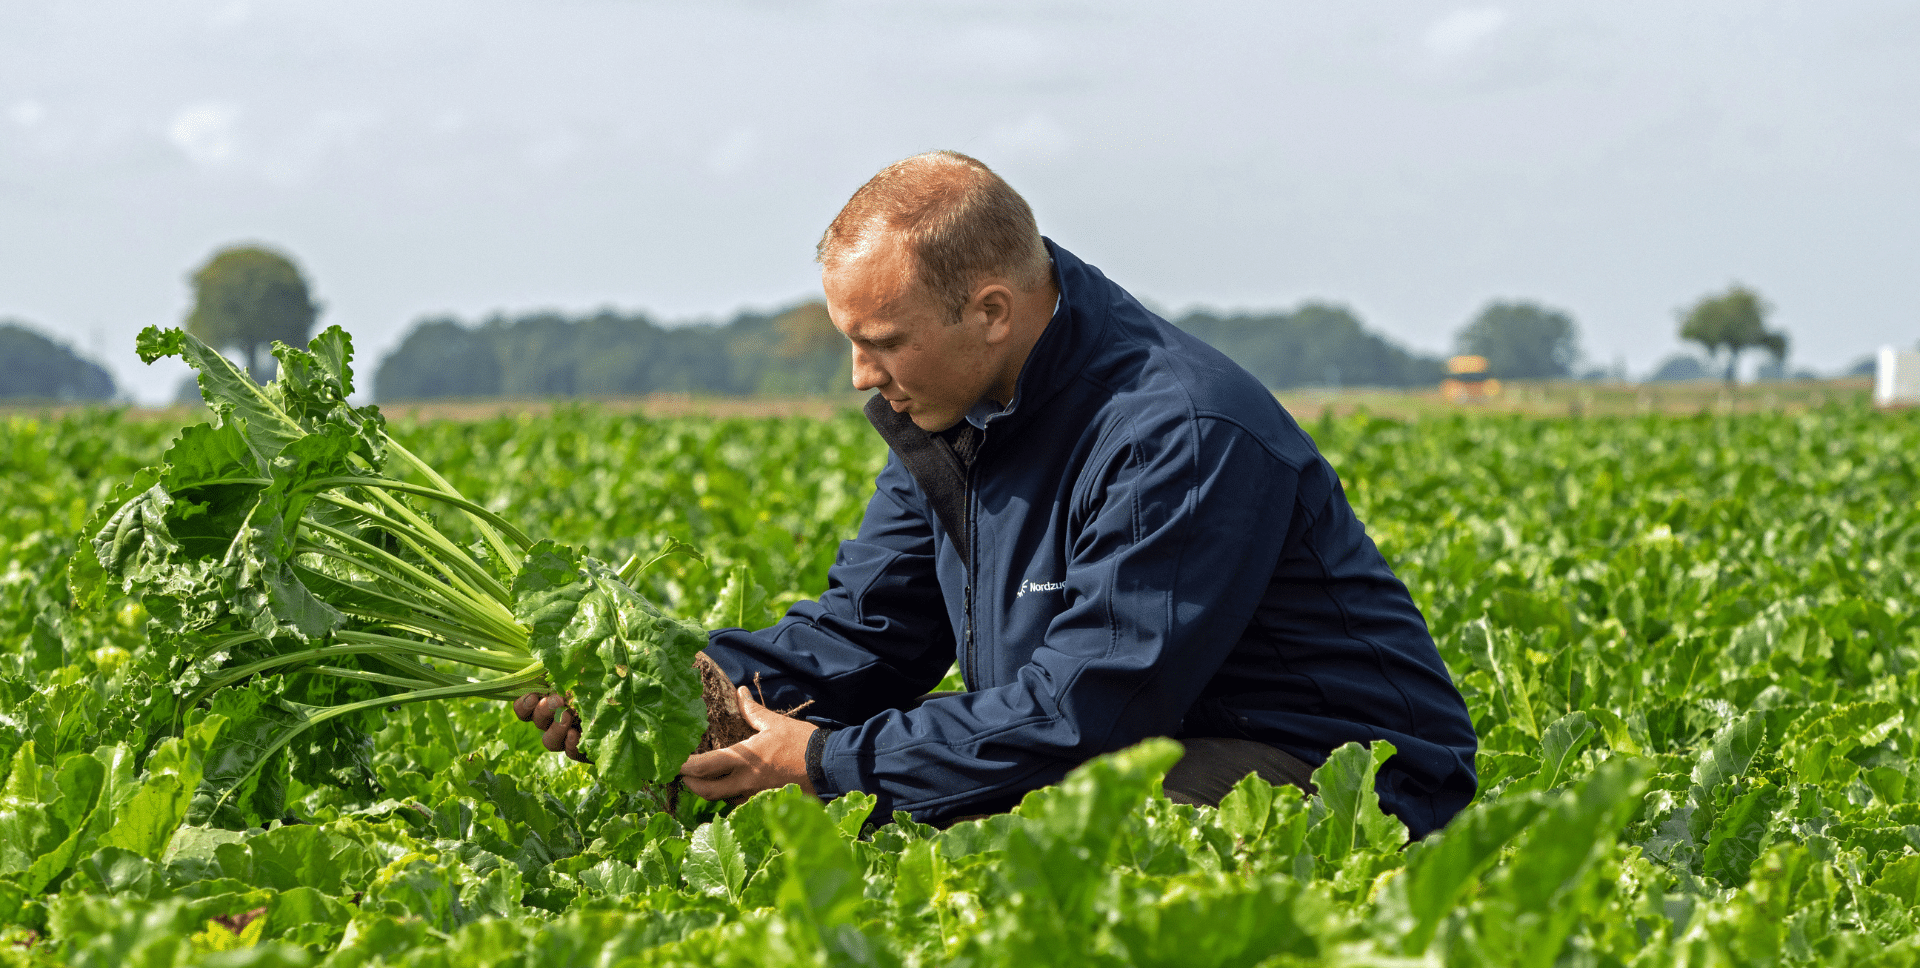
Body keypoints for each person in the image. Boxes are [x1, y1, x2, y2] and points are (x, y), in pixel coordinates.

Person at [521, 151, 1478, 837]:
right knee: (899, 798)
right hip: (1134, 738)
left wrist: (819, 763)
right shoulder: (953, 415)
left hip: (1333, 774)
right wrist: (654, 693)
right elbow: (869, 634)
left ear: (991, 311)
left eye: (884, 342)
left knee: (1027, 829)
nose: (860, 375)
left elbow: (1090, 709)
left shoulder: (1178, 432)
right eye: (849, 340)